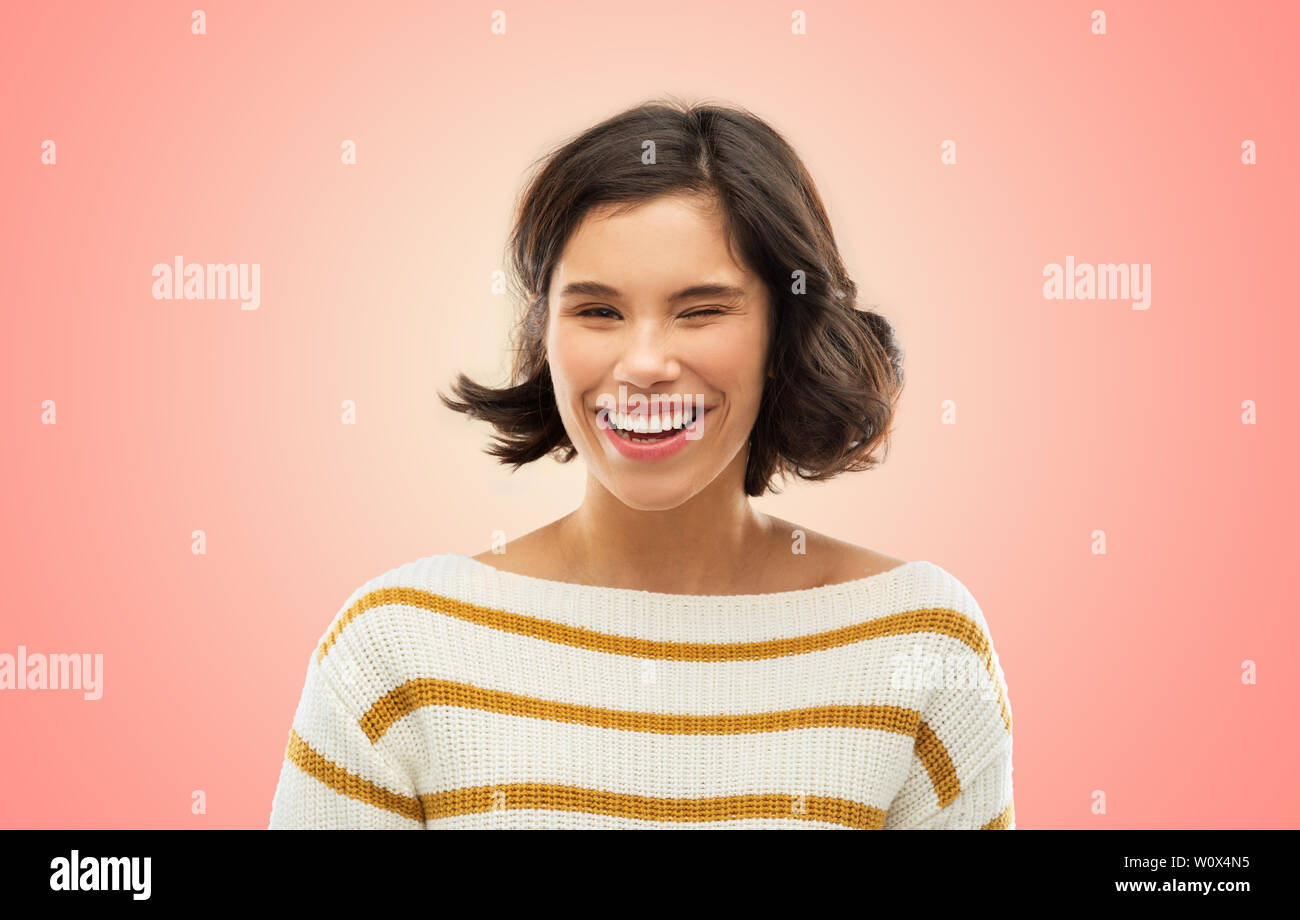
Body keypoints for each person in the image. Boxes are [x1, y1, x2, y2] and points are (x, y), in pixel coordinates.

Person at [268, 97, 1014, 829]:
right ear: (543, 334)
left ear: (783, 335)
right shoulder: (395, 650)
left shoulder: (919, 643)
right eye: (598, 311)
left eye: (701, 311)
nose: (646, 363)